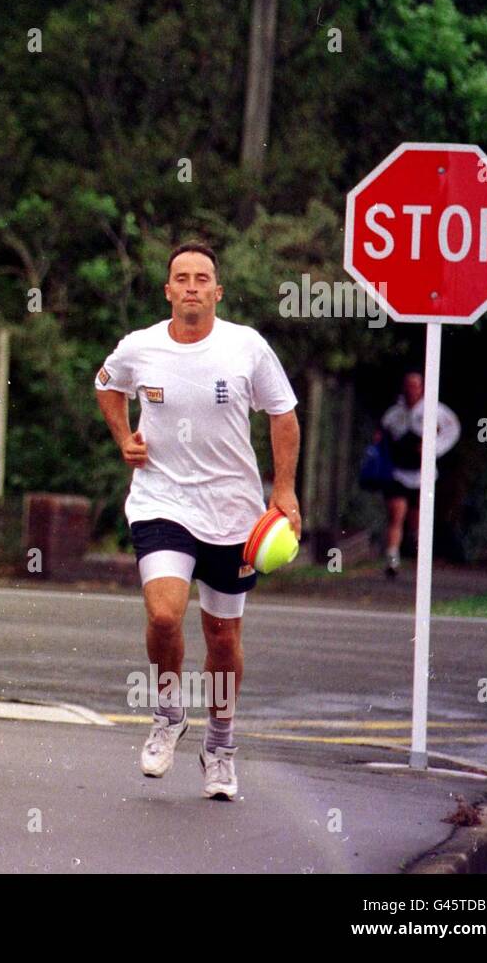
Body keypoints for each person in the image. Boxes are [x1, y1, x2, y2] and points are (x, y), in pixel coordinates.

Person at [96, 242, 300, 801]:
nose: (191, 286)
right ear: (167, 290)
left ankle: (221, 744)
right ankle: (167, 714)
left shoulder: (246, 348)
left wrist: (282, 490)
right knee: (164, 616)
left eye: (201, 278)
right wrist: (124, 440)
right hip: (162, 501)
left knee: (222, 635)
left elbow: (283, 415)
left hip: (234, 513)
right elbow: (106, 386)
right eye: (180, 277)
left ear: (217, 291)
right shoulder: (140, 347)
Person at [376, 372, 460, 577]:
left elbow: (452, 430)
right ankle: (392, 559)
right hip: (398, 473)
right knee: (396, 514)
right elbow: (381, 436)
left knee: (417, 521)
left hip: (423, 475)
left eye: (416, 385)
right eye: (408, 385)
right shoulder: (394, 413)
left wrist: (433, 448)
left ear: (422, 388)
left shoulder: (435, 410)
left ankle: (420, 562)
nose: (411, 389)